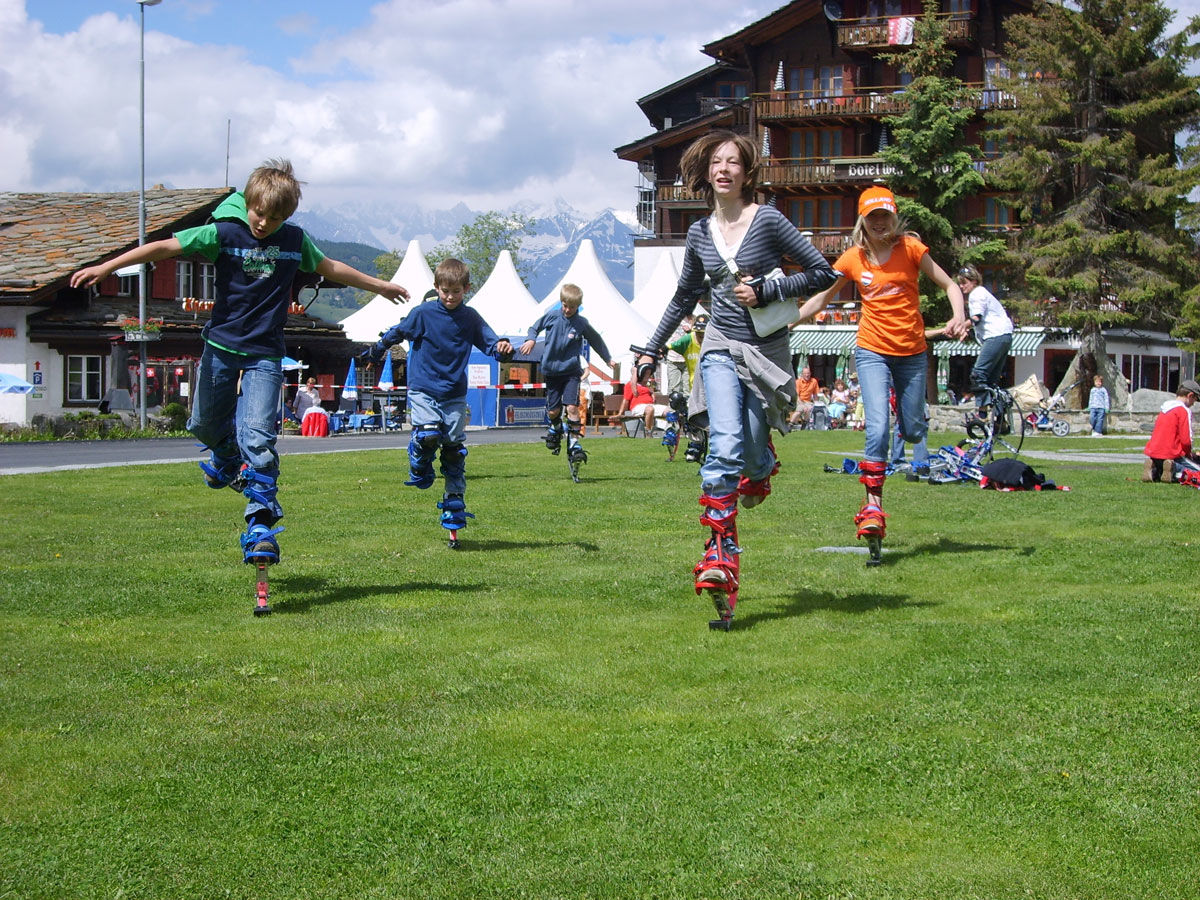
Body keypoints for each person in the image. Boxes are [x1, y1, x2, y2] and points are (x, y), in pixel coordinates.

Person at [70, 159, 409, 568]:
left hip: (265, 352)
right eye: (258, 212)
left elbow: (329, 267)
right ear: (247, 202)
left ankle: (261, 520)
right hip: (221, 348)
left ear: (288, 216)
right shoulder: (223, 233)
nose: (264, 222)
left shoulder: (294, 241)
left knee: (259, 436)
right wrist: (107, 266)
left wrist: (379, 285)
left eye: (275, 217)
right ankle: (228, 459)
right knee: (202, 425)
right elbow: (163, 247)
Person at [634, 128, 836, 624]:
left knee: (748, 448)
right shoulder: (700, 234)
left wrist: (769, 289)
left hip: (765, 352)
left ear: (747, 173)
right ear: (707, 172)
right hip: (721, 346)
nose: (724, 169)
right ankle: (718, 555)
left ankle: (762, 461)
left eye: (734, 162)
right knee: (724, 444)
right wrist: (650, 350)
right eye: (716, 162)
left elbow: (822, 272)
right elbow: (685, 296)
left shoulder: (767, 220)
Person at [799, 185, 969, 545]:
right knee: (878, 427)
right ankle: (873, 506)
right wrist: (787, 322)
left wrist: (958, 315)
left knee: (914, 431)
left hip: (911, 352)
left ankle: (911, 427)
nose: (879, 222)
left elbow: (950, 285)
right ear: (863, 219)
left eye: (884, 216)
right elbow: (821, 299)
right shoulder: (852, 259)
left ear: (893, 217)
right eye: (872, 216)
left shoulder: (911, 249)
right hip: (872, 349)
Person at [365, 258, 512, 538]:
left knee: (454, 449)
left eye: (456, 291)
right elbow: (397, 332)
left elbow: (493, 344)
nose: (450, 296)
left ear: (466, 289)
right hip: (423, 388)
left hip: (454, 393)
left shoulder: (470, 318)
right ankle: (419, 459)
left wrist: (503, 349)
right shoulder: (423, 313)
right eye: (445, 291)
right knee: (428, 433)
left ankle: (454, 499)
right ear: (436, 287)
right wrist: (376, 350)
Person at [519, 283, 614, 465]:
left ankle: (575, 443)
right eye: (565, 305)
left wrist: (607, 358)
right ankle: (555, 428)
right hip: (551, 372)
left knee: (571, 407)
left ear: (578, 305)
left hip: (571, 372)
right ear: (561, 302)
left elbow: (596, 341)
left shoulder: (581, 323)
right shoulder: (553, 317)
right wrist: (531, 339)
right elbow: (534, 328)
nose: (568, 309)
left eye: (572, 307)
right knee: (554, 411)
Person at [957, 264, 1013, 413]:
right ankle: (999, 416)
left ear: (974, 281)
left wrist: (962, 326)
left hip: (995, 336)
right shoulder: (984, 293)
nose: (961, 287)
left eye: (964, 283)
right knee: (991, 380)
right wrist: (967, 332)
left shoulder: (977, 293)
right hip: (1005, 336)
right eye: (960, 284)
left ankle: (982, 413)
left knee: (978, 374)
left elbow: (976, 318)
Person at [665, 314, 710, 461]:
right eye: (698, 333)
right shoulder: (688, 339)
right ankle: (695, 445)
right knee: (691, 416)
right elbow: (668, 348)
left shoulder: (715, 341)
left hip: (714, 387)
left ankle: (714, 451)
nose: (701, 336)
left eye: (703, 333)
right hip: (694, 388)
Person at [1142, 379, 1198, 482]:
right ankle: (1174, 469)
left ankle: (1155, 470)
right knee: (1196, 473)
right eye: (1195, 399)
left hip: (1154, 453)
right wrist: (1188, 454)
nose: (1194, 403)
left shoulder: (1165, 408)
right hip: (1171, 455)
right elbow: (1186, 440)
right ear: (1190, 395)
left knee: (1163, 466)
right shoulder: (1183, 410)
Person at [617, 368, 669, 435]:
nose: (649, 376)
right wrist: (620, 413)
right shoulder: (631, 385)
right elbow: (626, 399)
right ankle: (648, 433)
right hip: (638, 407)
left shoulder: (647, 386)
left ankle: (671, 432)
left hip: (651, 406)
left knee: (669, 410)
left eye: (649, 374)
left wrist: (652, 394)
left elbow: (653, 400)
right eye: (647, 374)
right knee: (650, 409)